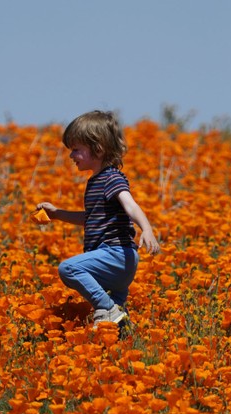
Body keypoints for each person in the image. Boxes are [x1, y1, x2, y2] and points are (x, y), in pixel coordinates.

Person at [35, 110, 161, 327]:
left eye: (76, 150)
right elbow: (90, 218)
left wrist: (146, 229)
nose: (71, 156)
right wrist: (57, 214)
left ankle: (109, 309)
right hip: (119, 262)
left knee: (69, 269)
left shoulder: (111, 178)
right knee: (112, 327)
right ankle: (119, 325)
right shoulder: (96, 181)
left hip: (116, 255)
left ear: (98, 149)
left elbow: (130, 204)